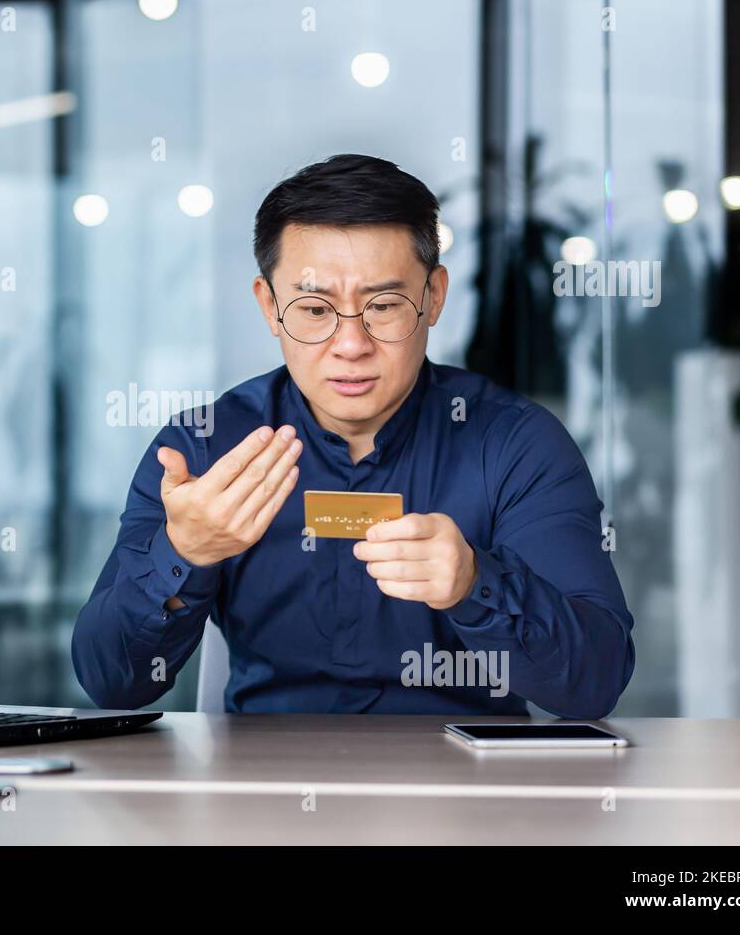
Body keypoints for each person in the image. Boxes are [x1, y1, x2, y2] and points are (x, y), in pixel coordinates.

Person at [72, 154, 634, 717]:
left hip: (465, 791)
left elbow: (595, 683)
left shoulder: (514, 446)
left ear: (434, 296)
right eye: (314, 309)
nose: (350, 344)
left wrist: (476, 583)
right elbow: (111, 683)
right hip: (258, 789)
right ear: (269, 305)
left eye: (383, 306)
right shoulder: (203, 450)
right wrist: (183, 554)